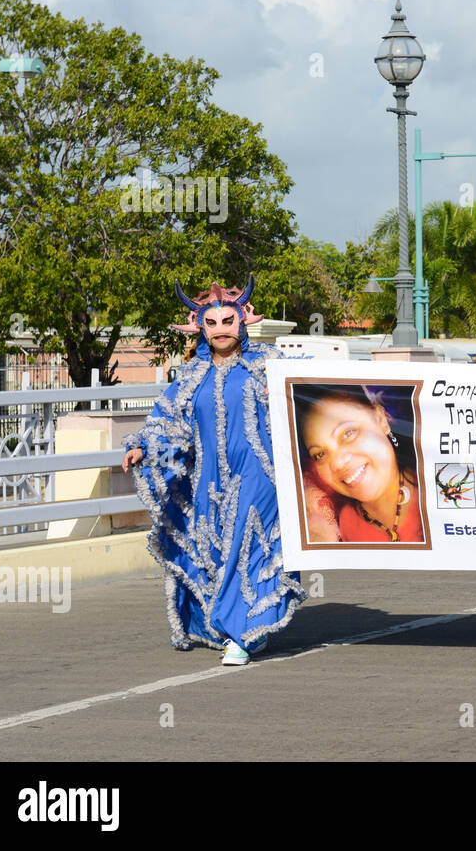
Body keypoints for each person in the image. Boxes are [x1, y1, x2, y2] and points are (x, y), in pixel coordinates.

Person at [122, 279, 304, 665]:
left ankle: (240, 637)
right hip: (209, 481)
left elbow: (311, 393)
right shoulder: (191, 376)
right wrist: (141, 446)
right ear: (201, 327)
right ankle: (250, 625)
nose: (221, 328)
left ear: (242, 322)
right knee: (218, 552)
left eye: (228, 320)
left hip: (261, 476)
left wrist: (285, 392)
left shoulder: (269, 365)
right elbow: (168, 422)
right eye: (212, 322)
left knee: (249, 546)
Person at [293, 384, 424, 543]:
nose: (338, 463)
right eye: (320, 454)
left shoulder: (440, 491)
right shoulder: (343, 525)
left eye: (348, 433)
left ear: (380, 419)